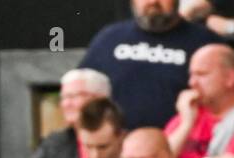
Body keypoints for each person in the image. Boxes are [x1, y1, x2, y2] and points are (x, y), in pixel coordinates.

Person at [80, 0, 218, 131]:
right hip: (116, 148)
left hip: (187, 147)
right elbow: (80, 91)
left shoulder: (205, 42)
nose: (153, 2)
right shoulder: (110, 38)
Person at [5, 68, 110, 158]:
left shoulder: (123, 140)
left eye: (74, 96)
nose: (66, 104)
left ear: (101, 99)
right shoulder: (58, 142)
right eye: (64, 97)